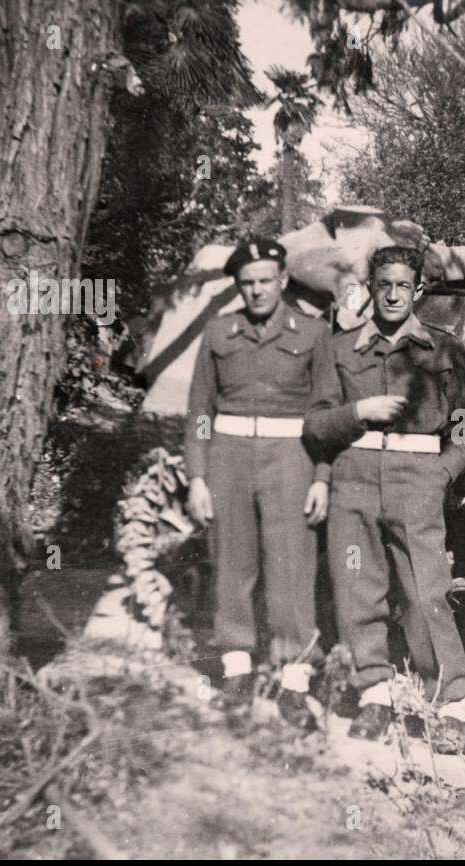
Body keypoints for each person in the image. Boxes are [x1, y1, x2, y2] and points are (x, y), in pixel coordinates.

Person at [304, 245, 465, 752]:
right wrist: (357, 411)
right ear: (371, 289)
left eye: (404, 285)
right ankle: (374, 695)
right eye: (385, 285)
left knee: (428, 593)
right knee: (358, 589)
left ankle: (450, 705)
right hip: (353, 476)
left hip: (416, 478)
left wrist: (441, 474)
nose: (395, 294)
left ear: (418, 290)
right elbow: (316, 423)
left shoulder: (444, 350)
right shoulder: (339, 350)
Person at [184, 236, 331, 728]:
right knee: (232, 563)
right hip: (228, 456)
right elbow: (199, 412)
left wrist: (322, 476)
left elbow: (325, 413)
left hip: (291, 457)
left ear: (283, 280)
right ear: (238, 287)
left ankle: (294, 681)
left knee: (291, 567)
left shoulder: (312, 333)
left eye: (266, 281)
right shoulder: (218, 333)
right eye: (247, 283)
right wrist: (198, 477)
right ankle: (237, 671)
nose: (257, 291)